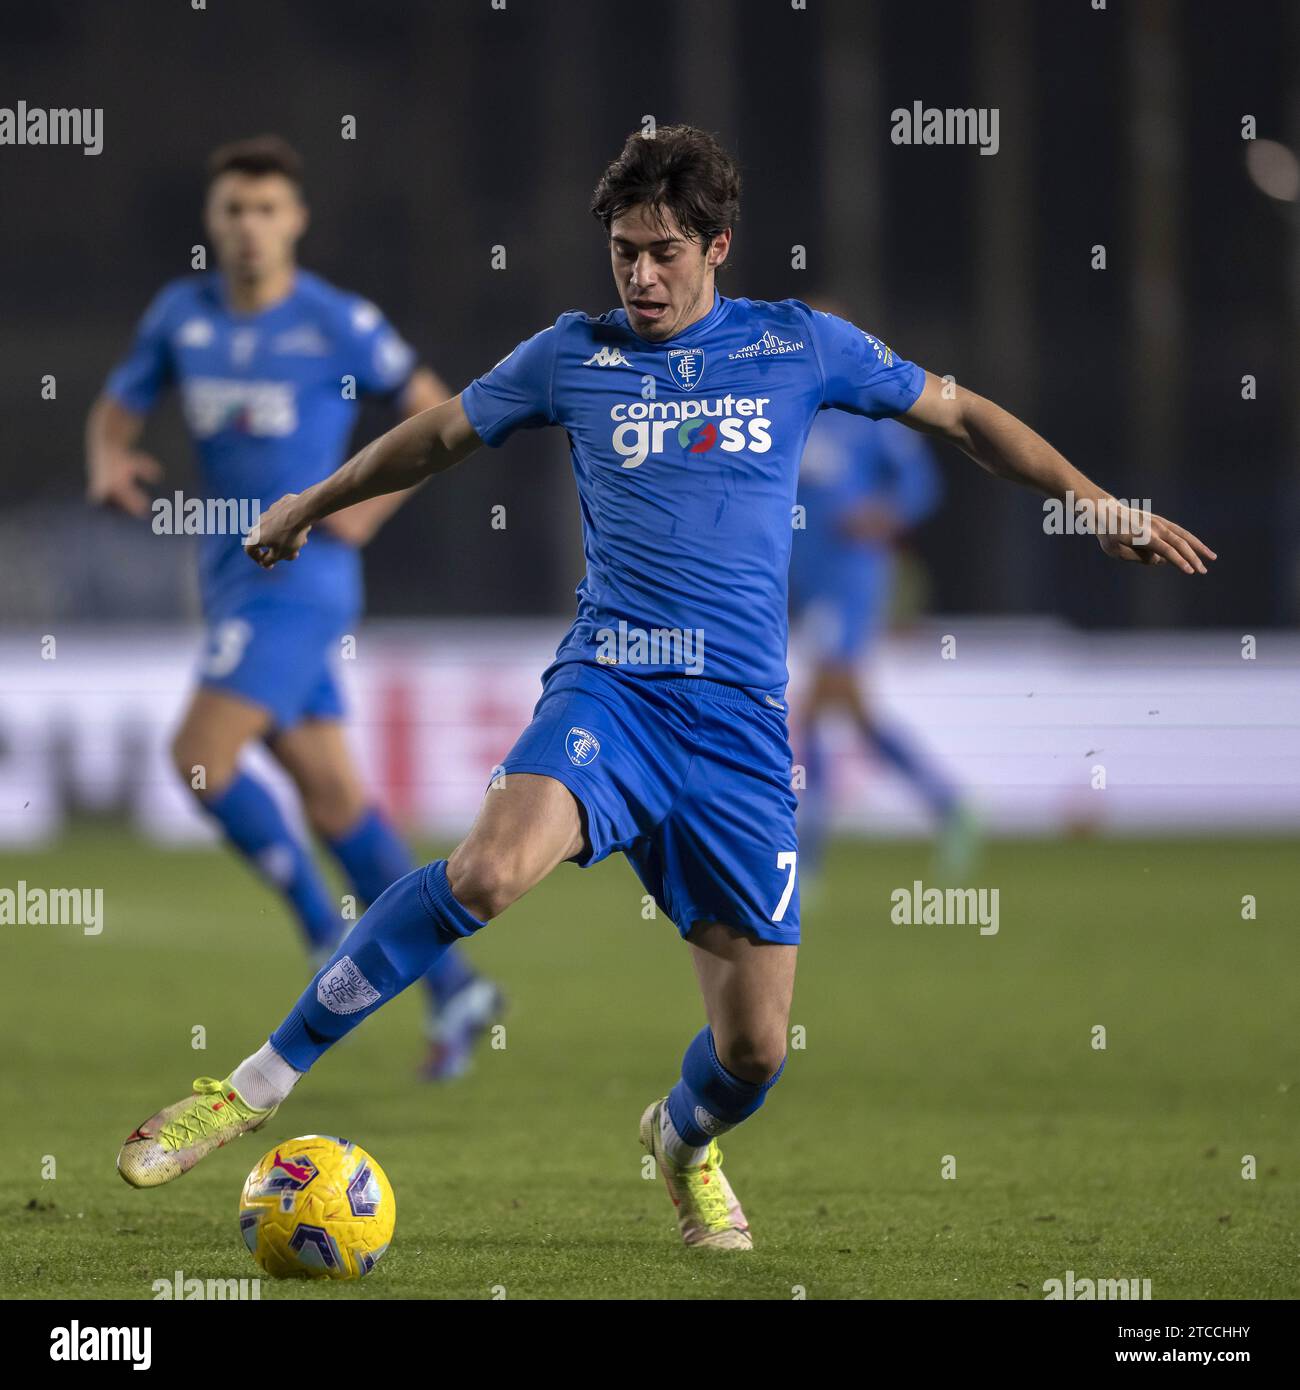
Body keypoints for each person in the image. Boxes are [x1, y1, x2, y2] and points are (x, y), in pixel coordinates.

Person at [117, 126, 1214, 1252]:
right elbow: (437, 435)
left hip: (738, 728)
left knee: (754, 1052)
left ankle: (681, 1142)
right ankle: (251, 1085)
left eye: (663, 252)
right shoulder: (569, 355)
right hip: (614, 693)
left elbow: (965, 415)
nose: (639, 274)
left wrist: (1094, 503)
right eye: (623, 252)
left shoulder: (800, 346)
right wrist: (309, 502)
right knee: (488, 872)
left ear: (716, 245)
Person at [87, 135, 501, 1081]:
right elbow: (117, 406)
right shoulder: (179, 314)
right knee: (335, 800)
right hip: (230, 576)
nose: (249, 227)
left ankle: (324, 937)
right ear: (213, 222)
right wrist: (108, 462)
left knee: (198, 759)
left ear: (296, 221)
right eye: (234, 209)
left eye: (268, 209)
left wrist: (366, 511)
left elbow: (438, 407)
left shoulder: (335, 321)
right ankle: (456, 987)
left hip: (301, 583)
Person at [790, 374, 977, 883]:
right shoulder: (791, 411)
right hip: (810, 581)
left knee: (816, 707)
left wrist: (886, 513)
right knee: (848, 711)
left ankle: (809, 861)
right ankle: (949, 805)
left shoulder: (869, 416)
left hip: (852, 576)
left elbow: (921, 484)